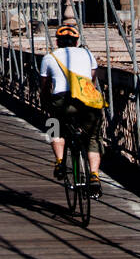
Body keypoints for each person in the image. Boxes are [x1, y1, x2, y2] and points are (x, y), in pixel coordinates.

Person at [39, 23, 104, 198]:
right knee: (93, 137)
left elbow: (45, 88)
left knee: (53, 124)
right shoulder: (87, 53)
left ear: (58, 42)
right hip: (86, 102)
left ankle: (60, 161)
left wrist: (46, 105)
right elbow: (92, 80)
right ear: (76, 42)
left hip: (62, 101)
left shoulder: (49, 57)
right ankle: (94, 175)